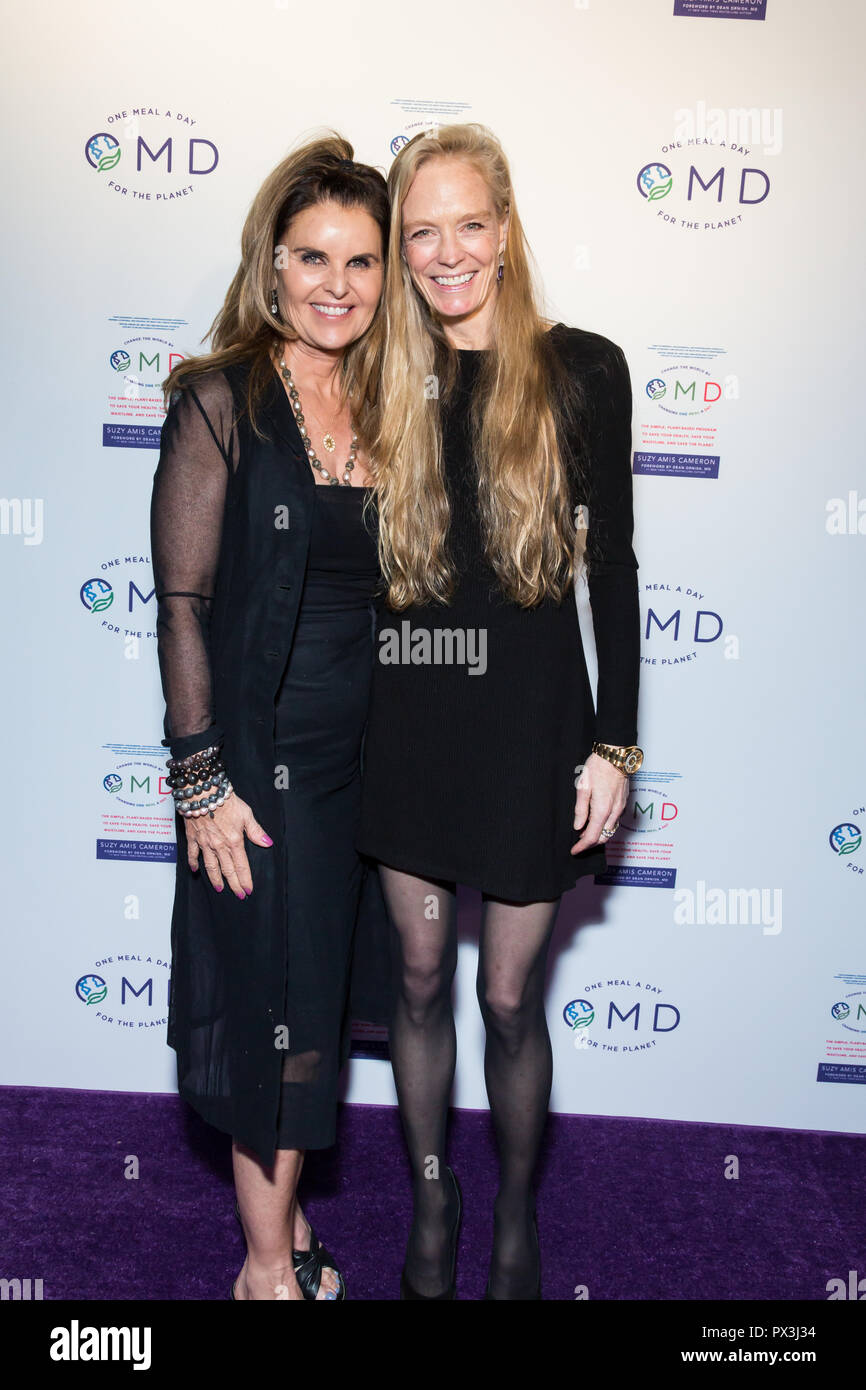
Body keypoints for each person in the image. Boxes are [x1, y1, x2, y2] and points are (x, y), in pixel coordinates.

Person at [356, 123, 643, 1300]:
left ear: (506, 227)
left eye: (468, 224)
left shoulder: (585, 370)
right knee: (417, 983)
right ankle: (434, 1201)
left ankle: (515, 1214)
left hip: (530, 728)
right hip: (409, 725)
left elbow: (612, 566)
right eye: (418, 233)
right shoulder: (379, 380)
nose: (446, 253)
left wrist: (613, 742)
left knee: (507, 995)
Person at [150, 133, 392, 1301]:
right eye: (311, 257)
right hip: (259, 768)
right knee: (277, 1025)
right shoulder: (218, 400)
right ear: (272, 261)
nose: (335, 285)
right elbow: (185, 603)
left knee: (318, 1005)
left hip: (359, 769)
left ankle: (285, 1233)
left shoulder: (394, 399)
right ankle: (262, 1276)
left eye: (360, 259)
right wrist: (202, 778)